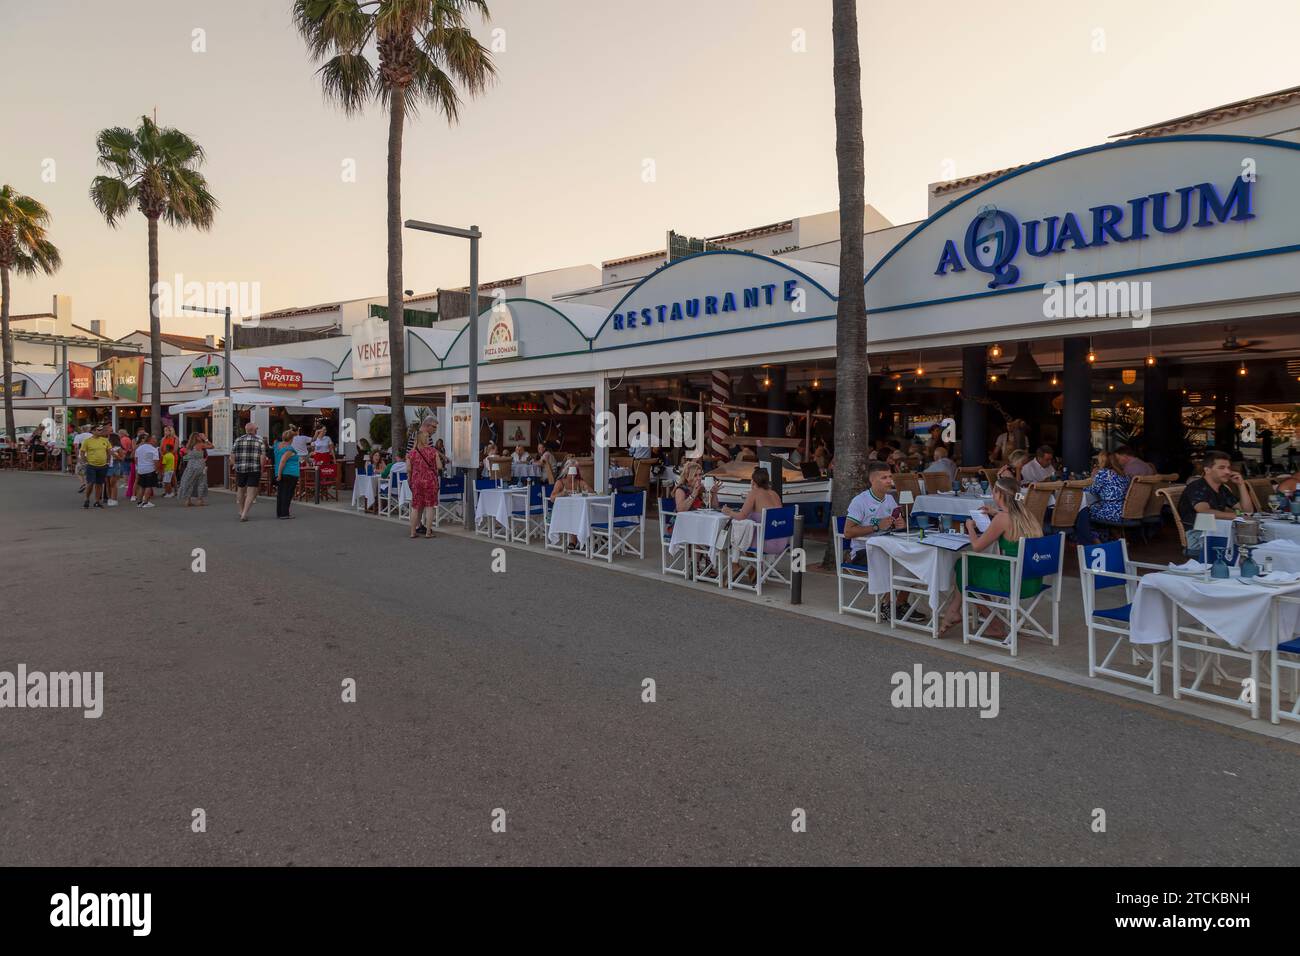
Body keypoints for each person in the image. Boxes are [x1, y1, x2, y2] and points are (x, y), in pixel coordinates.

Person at [935, 476, 1044, 637]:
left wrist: (970, 527)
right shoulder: (1027, 515)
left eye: (994, 492)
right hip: (1033, 580)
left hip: (1012, 582)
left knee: (964, 565)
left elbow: (977, 547)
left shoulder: (1002, 519)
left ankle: (993, 623)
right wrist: (995, 512)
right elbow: (1009, 518)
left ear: (999, 494)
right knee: (970, 566)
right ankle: (954, 610)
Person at [1178, 450, 1249, 557]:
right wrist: (1237, 516)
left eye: (1228, 468)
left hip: (1218, 530)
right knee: (1247, 546)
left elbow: (1247, 511)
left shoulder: (1222, 489)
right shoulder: (1197, 487)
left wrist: (1241, 485)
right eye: (1221, 468)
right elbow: (1204, 511)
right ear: (1207, 470)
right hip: (1198, 535)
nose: (1228, 472)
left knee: (1254, 541)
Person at [842, 462, 901, 557]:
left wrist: (900, 524)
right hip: (864, 550)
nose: (889, 481)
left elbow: (897, 525)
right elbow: (848, 532)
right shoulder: (860, 501)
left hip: (888, 547)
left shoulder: (890, 499)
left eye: (890, 476)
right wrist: (877, 527)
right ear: (872, 480)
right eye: (884, 478)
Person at [232, 421, 271, 522]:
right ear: (254, 430)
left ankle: (241, 510)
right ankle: (244, 513)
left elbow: (232, 454)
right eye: (256, 429)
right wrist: (262, 468)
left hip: (240, 468)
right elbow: (262, 456)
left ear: (246, 430)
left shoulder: (238, 440)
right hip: (254, 468)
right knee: (251, 491)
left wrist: (235, 464)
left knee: (240, 489)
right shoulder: (259, 440)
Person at [407, 429, 442, 539]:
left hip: (416, 481)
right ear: (426, 439)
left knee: (415, 506)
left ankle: (413, 532)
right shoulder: (433, 451)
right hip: (430, 481)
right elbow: (440, 466)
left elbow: (408, 468)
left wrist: (411, 478)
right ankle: (428, 532)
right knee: (429, 506)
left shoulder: (411, 453)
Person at [80, 425, 112, 509]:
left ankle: (97, 501)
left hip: (103, 465)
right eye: (98, 430)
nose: (100, 431)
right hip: (91, 465)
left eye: (101, 430)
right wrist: (84, 462)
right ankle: (87, 499)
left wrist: (108, 462)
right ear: (93, 431)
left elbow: (109, 451)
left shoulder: (105, 440)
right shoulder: (87, 441)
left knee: (99, 484)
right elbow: (82, 452)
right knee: (90, 483)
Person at [178, 432, 213, 506]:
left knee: (189, 482)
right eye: (199, 436)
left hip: (190, 466)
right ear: (196, 438)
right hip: (200, 466)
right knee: (201, 482)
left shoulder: (188, 446)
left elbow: (187, 456)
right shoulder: (200, 445)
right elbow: (212, 446)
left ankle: (188, 500)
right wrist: (205, 439)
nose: (200, 437)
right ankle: (200, 500)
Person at [273, 428, 300, 519]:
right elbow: (283, 461)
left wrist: (278, 474)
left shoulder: (277, 446)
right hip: (289, 473)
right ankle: (285, 513)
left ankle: (280, 513)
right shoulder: (289, 449)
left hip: (279, 472)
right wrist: (280, 474)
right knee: (287, 494)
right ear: (291, 439)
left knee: (281, 493)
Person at [133, 434, 160, 508]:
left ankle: (139, 502)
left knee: (141, 486)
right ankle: (145, 502)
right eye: (154, 439)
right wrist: (157, 470)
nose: (155, 441)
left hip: (141, 469)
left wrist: (139, 467)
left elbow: (136, 459)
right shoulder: (153, 449)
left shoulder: (139, 448)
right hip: (150, 469)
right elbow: (156, 461)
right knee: (148, 486)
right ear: (150, 440)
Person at [105, 432, 124, 506]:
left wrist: (115, 455)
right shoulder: (107, 447)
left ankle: (114, 499)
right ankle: (109, 498)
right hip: (107, 465)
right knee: (107, 483)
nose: (107, 439)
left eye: (109, 438)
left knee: (113, 483)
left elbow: (122, 459)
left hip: (115, 465)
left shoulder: (118, 448)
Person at [73, 425, 92, 492]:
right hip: (91, 455)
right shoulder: (92, 436)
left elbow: (76, 447)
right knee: (88, 470)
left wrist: (77, 456)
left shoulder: (78, 436)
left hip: (82, 455)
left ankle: (83, 483)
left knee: (78, 471)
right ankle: (88, 484)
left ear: (82, 430)